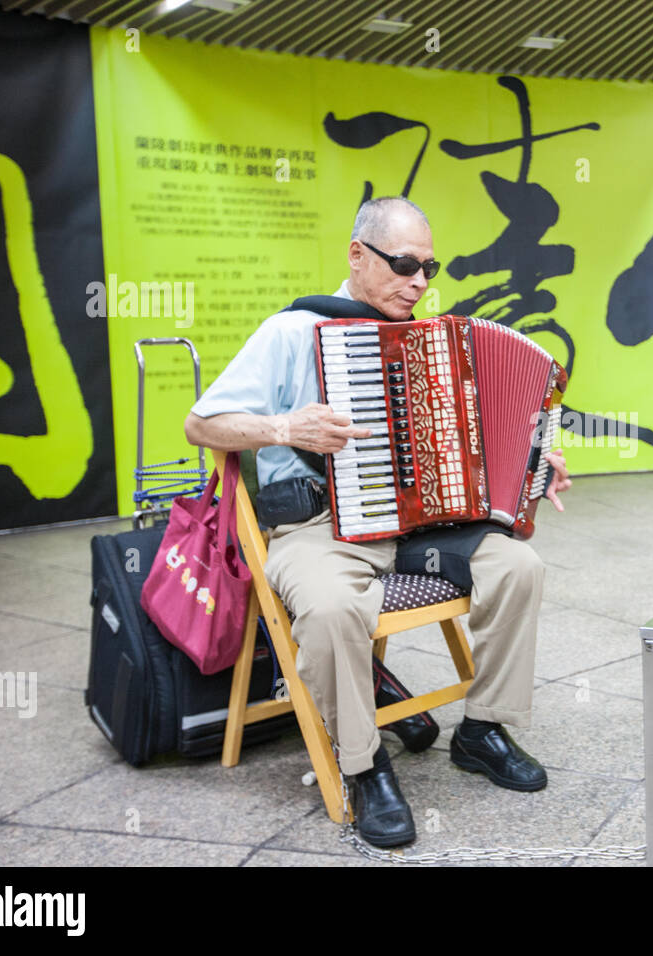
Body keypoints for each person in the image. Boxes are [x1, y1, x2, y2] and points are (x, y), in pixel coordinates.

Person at [183, 196, 571, 848]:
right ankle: (363, 766)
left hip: (421, 526)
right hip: (318, 528)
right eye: (404, 265)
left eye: (428, 267)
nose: (419, 281)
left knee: (518, 567)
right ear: (357, 256)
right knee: (334, 610)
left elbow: (476, 444)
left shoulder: (434, 343)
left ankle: (481, 730)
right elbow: (202, 423)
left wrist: (534, 461)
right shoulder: (291, 332)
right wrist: (285, 427)